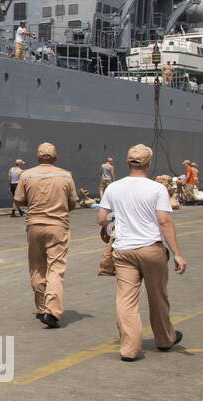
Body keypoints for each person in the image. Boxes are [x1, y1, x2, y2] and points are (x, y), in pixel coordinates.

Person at [97, 144, 186, 362]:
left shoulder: (113, 188)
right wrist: (177, 253)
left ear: (128, 162)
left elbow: (102, 218)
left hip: (124, 250)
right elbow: (164, 222)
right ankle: (165, 339)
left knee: (125, 300)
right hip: (150, 249)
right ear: (148, 164)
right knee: (158, 297)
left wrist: (111, 230)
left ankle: (129, 349)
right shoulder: (157, 189)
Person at [14, 142, 79, 329]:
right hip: (58, 226)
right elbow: (73, 202)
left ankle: (42, 308)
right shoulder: (66, 176)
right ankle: (52, 311)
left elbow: (18, 201)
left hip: (34, 225)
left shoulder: (26, 175)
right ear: (56, 157)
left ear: (37, 157)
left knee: (36, 266)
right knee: (55, 267)